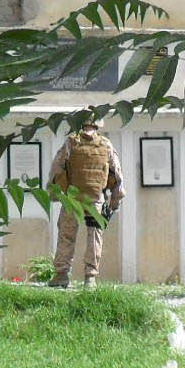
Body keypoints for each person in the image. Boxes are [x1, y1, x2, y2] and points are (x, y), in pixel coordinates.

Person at [46, 117, 123, 287]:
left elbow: (57, 169)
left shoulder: (71, 143)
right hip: (95, 199)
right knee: (94, 237)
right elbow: (117, 175)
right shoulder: (106, 145)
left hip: (72, 200)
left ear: (82, 124)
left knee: (66, 235)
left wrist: (53, 193)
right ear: (98, 125)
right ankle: (90, 278)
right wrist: (115, 201)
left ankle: (61, 275)